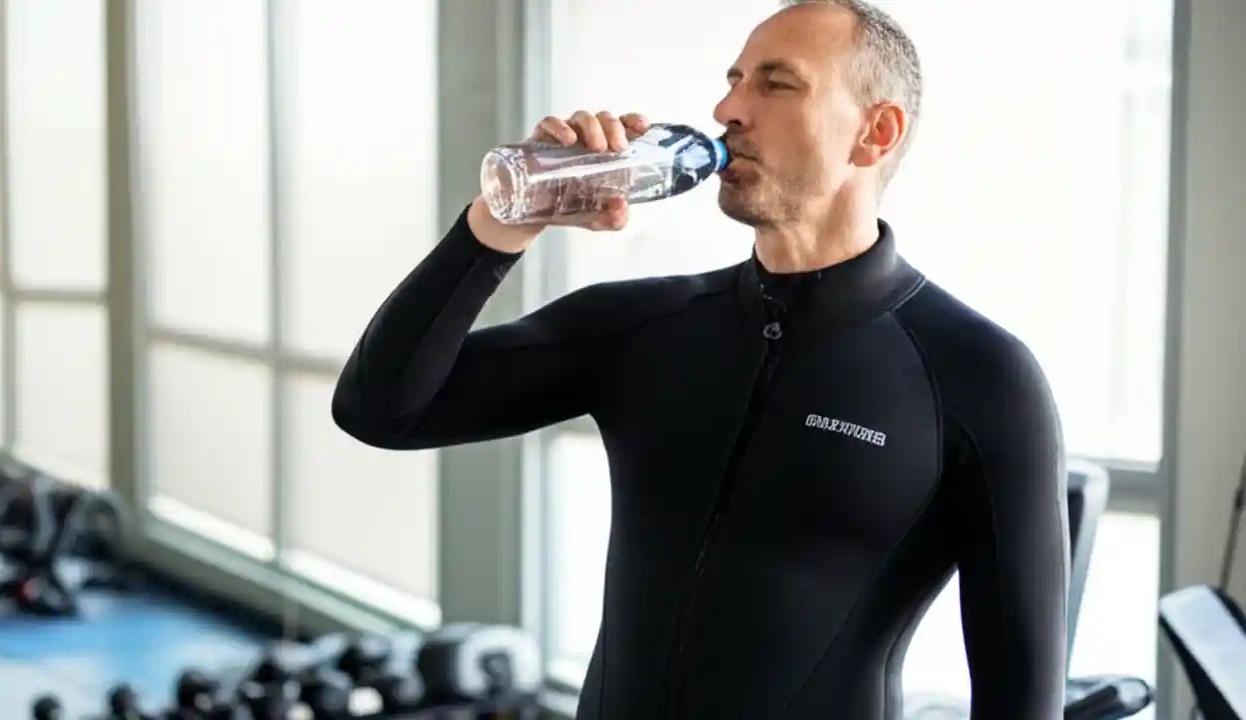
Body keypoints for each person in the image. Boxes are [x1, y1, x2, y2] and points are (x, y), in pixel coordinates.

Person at [332, 0, 1068, 717]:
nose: (728, 111)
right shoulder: (645, 326)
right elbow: (381, 409)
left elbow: (1022, 696)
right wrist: (499, 225)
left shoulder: (980, 376)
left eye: (775, 83)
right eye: (732, 80)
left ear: (874, 133)